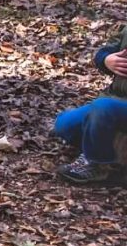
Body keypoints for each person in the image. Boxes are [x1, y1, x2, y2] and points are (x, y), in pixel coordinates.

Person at [52, 21, 127, 184]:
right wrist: (106, 60)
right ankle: (109, 147)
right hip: (115, 98)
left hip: (111, 107)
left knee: (103, 108)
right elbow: (104, 52)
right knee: (63, 124)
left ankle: (97, 164)